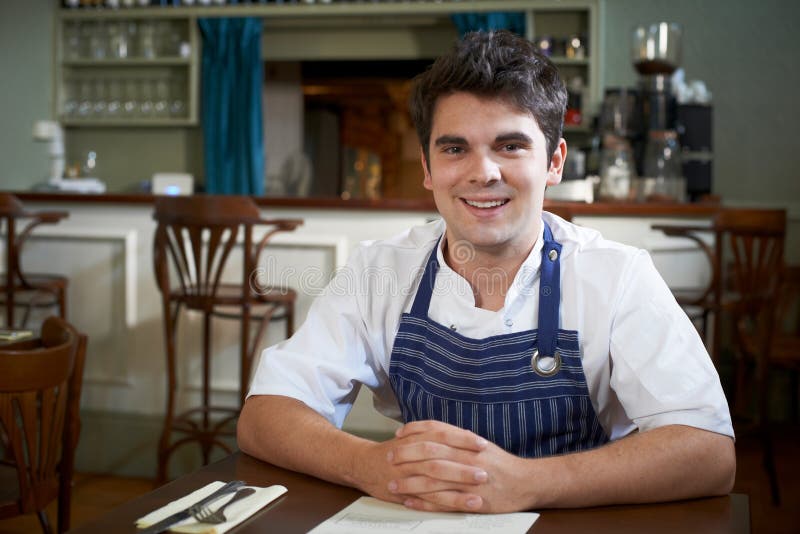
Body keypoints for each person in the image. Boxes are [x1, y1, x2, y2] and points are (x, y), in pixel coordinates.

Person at [238, 30, 735, 513]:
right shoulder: (379, 270)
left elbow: (709, 453)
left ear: (554, 161)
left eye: (510, 146)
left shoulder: (618, 275)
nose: (483, 173)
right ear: (428, 168)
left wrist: (528, 483)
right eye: (455, 149)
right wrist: (370, 464)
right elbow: (265, 415)